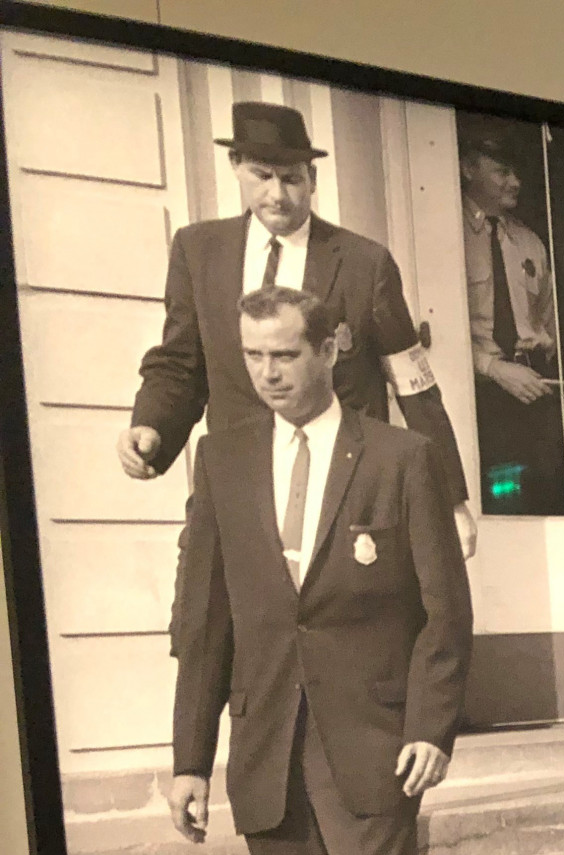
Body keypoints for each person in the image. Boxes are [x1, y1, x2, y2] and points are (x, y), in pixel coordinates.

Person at [166, 285, 471, 855]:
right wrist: (188, 761)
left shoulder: (402, 457)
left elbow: (445, 612)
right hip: (268, 742)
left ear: (330, 350)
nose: (267, 372)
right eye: (253, 356)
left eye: (285, 354)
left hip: (373, 740)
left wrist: (430, 727)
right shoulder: (222, 460)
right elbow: (205, 624)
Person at [120, 101, 476, 561]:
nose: (277, 195)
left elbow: (414, 387)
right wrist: (151, 426)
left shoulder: (365, 264)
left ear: (313, 177)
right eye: (261, 175)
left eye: (291, 178)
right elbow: (180, 362)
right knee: (202, 629)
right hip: (236, 491)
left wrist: (452, 499)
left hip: (343, 499)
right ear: (235, 167)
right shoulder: (198, 250)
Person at [459, 124, 564, 515]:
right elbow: (433, 331)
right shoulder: (446, 234)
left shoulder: (528, 242)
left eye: (516, 172)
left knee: (542, 498)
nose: (515, 182)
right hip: (480, 394)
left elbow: (548, 321)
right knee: (499, 500)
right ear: (468, 169)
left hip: (531, 391)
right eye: (502, 171)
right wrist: (493, 368)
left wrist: (546, 343)